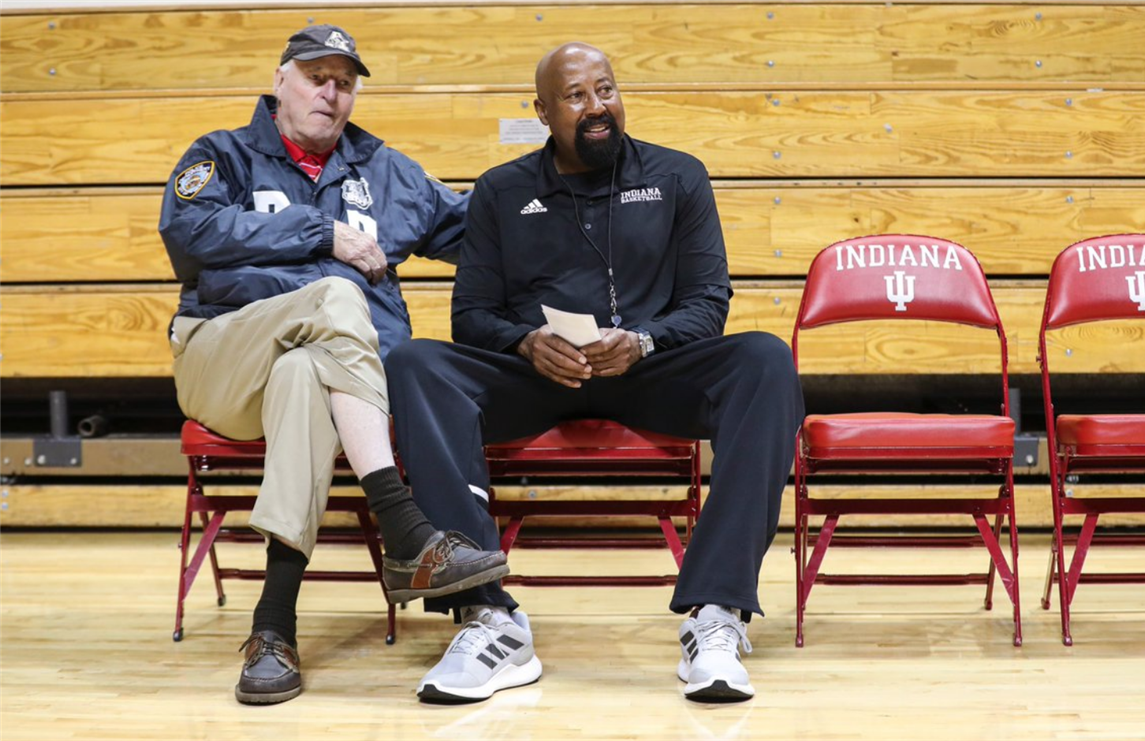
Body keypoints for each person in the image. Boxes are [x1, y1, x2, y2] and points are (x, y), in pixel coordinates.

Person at [385, 42, 805, 703]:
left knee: (764, 359)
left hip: (648, 370)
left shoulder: (678, 176)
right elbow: (472, 316)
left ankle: (717, 613)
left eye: (605, 90)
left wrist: (644, 339)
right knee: (416, 362)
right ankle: (487, 614)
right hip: (537, 376)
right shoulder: (501, 189)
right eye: (576, 96)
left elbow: (708, 302)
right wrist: (525, 342)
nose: (596, 107)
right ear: (544, 111)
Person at [158, 25, 508, 705]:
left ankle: (273, 625)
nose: (331, 92)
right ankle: (404, 526)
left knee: (306, 373)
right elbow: (190, 232)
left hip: (325, 385)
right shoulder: (222, 156)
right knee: (336, 295)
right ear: (280, 79)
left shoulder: (385, 170)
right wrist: (321, 234)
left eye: (344, 82)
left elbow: (479, 235)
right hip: (222, 357)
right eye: (317, 76)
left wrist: (546, 200)